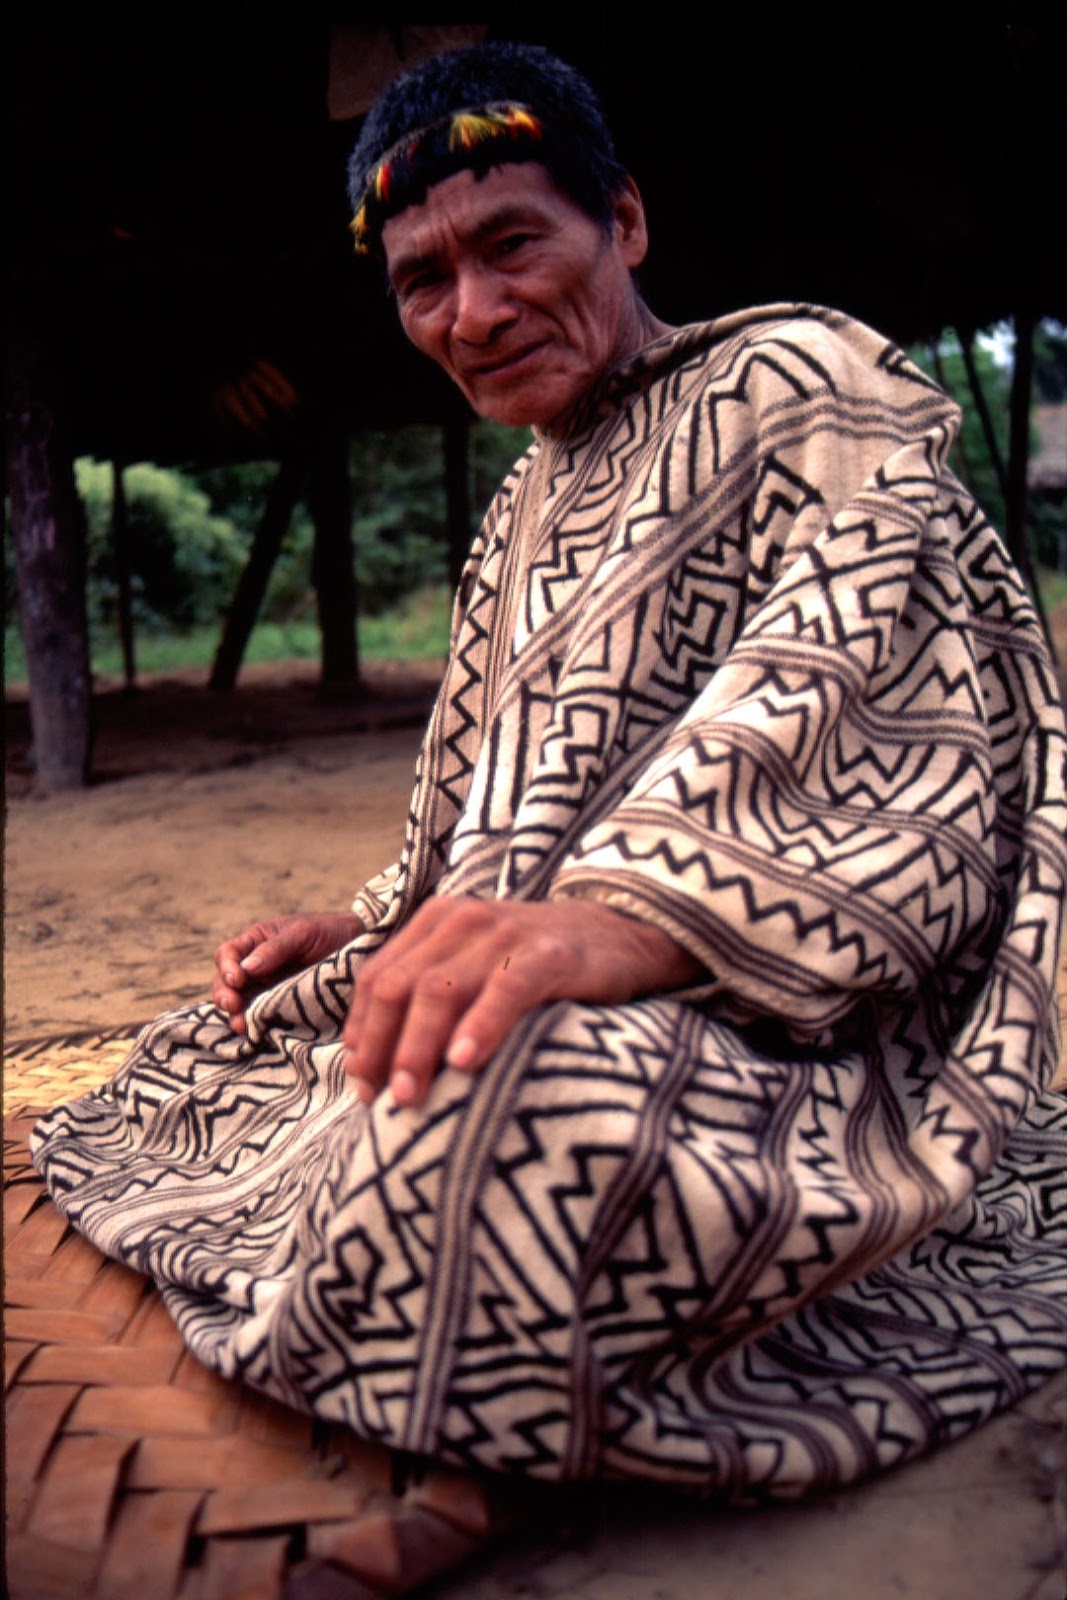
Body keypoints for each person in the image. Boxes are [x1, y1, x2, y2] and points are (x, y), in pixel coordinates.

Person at [32, 42, 1067, 1500]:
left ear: (624, 223)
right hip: (574, 976)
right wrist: (375, 926)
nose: (478, 310)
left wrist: (627, 922)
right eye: (422, 280)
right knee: (217, 1050)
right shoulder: (519, 504)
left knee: (505, 1126)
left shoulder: (807, 383)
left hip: (797, 1027)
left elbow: (878, 727)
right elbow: (474, 799)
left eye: (514, 242)